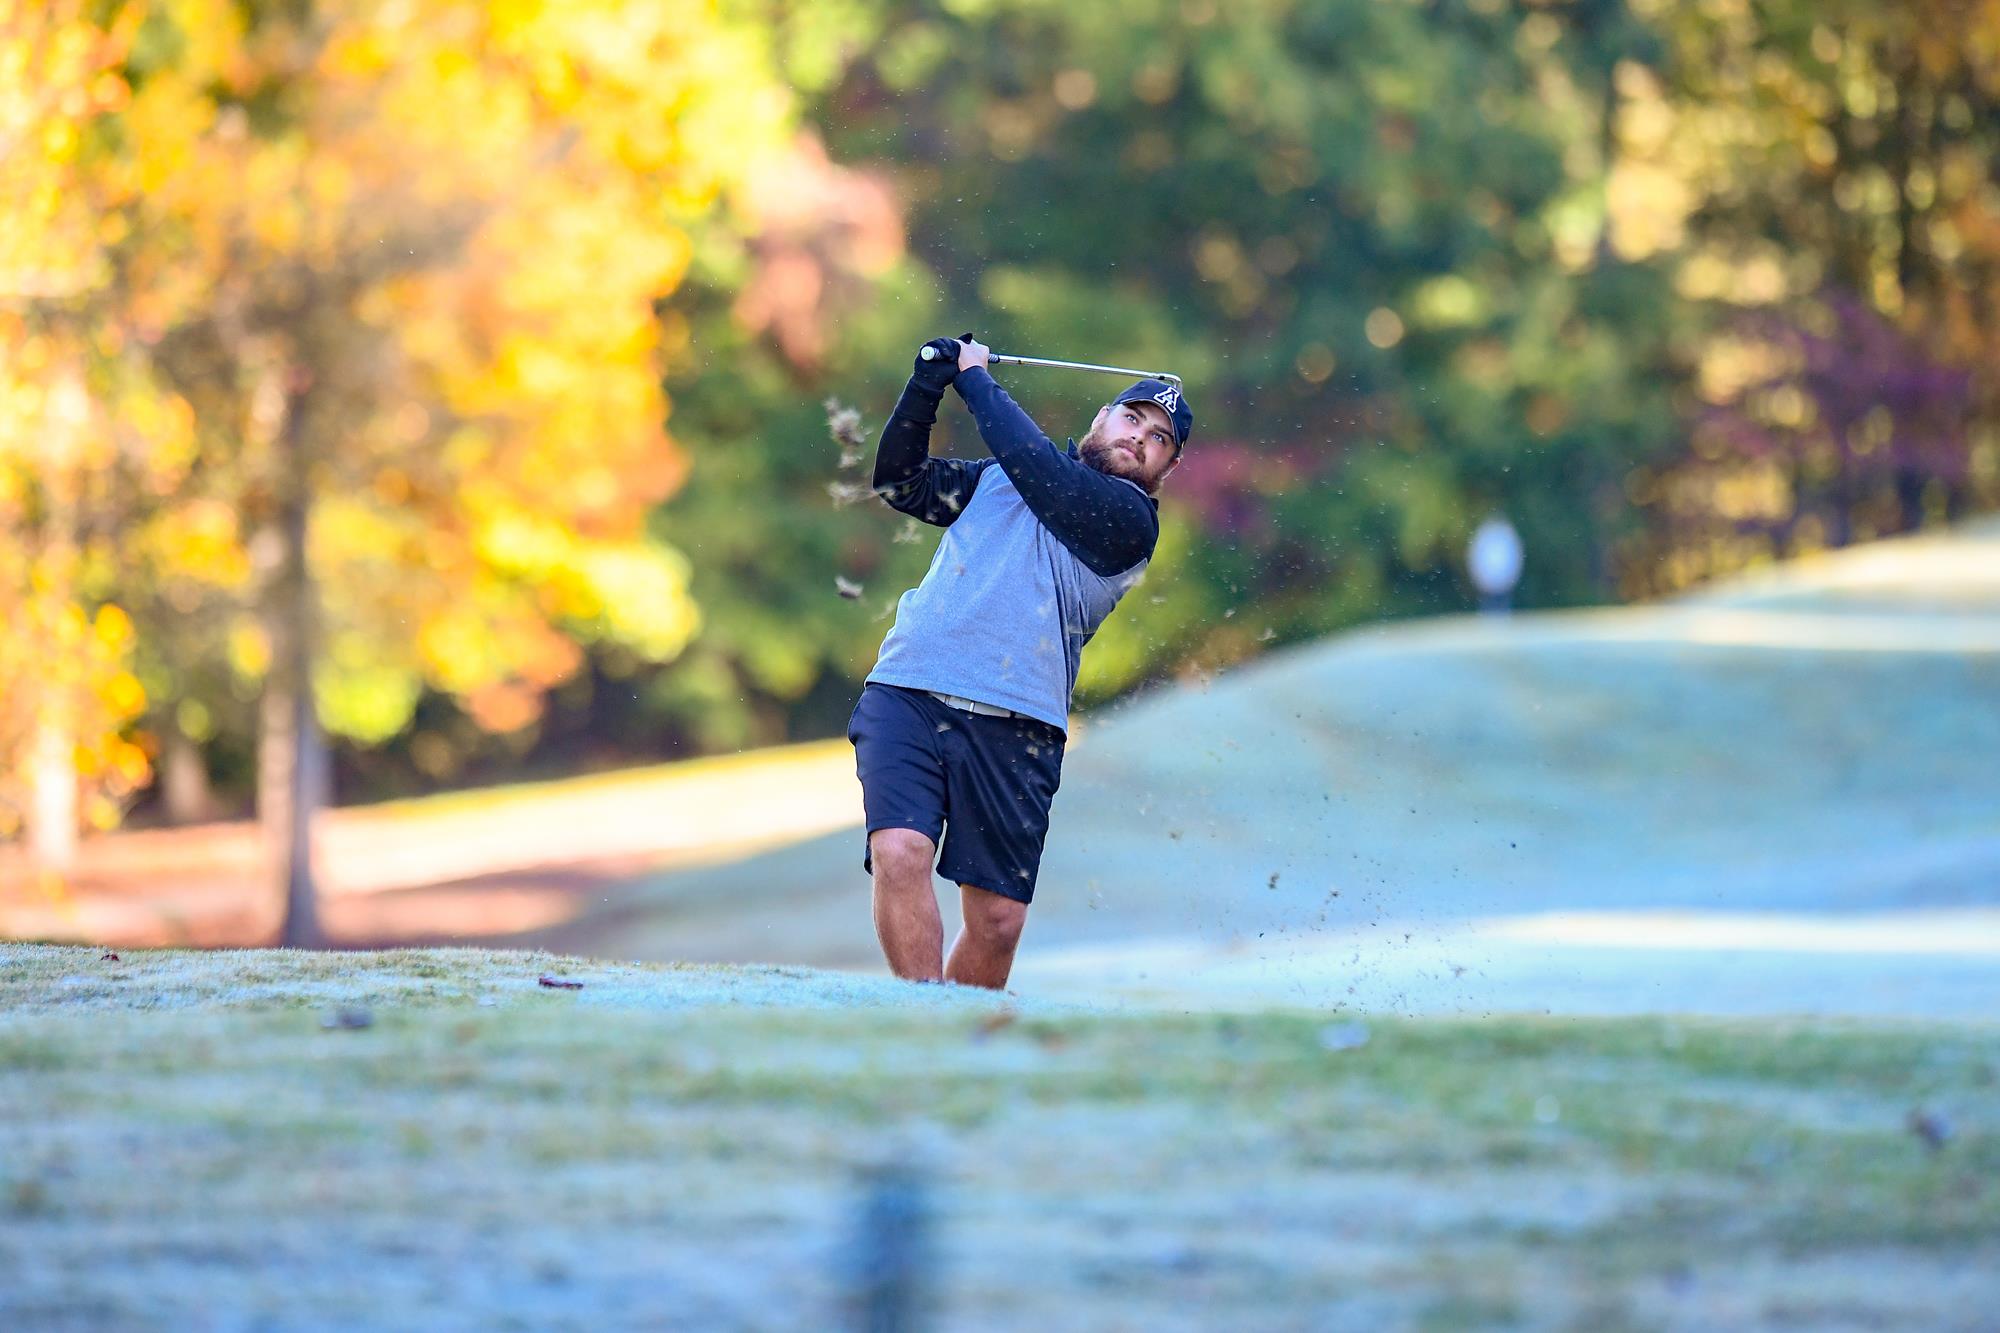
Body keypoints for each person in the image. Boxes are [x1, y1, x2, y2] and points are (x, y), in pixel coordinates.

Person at [848, 334, 1192, 989]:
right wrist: (928, 380)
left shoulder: (1129, 523)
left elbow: (1049, 479)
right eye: (1132, 417)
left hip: (1018, 724)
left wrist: (975, 382)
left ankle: (956, 1035)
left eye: (1159, 439)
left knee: (999, 921)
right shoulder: (995, 478)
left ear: (1166, 470)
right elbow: (899, 481)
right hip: (911, 690)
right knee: (899, 851)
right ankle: (925, 1031)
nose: (1141, 437)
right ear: (1101, 418)